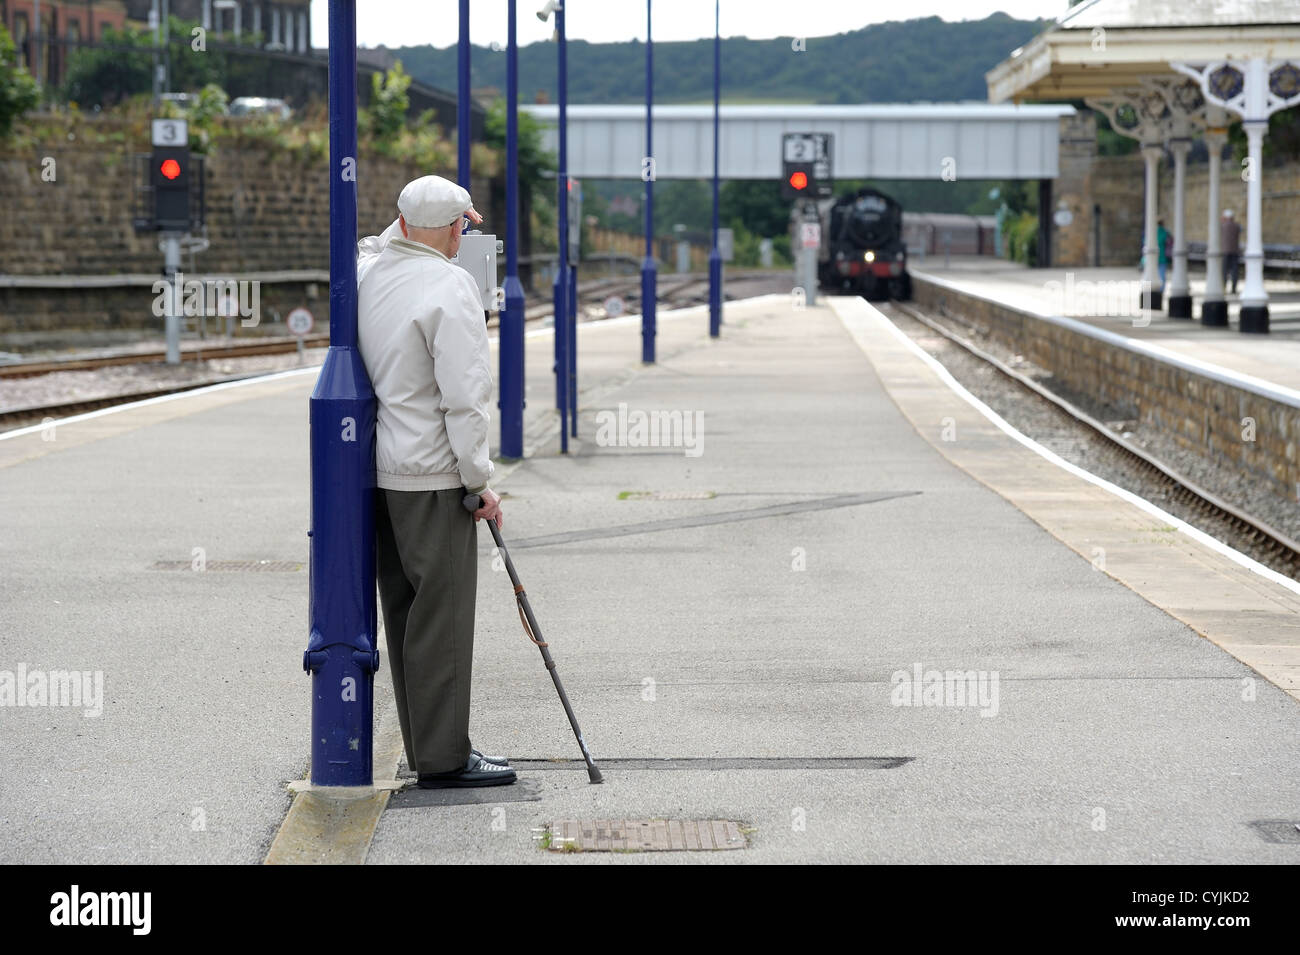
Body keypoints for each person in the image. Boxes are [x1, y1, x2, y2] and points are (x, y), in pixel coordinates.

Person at [356, 175, 516, 789]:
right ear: (455, 229)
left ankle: (429, 747)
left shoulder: (372, 274)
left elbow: (374, 243)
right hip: (434, 474)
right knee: (443, 620)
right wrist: (479, 482)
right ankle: (445, 759)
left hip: (382, 474)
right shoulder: (451, 286)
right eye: (463, 226)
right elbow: (465, 400)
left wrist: (406, 221)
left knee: (403, 613)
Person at [1220, 209, 1241, 294]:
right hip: (1235, 251)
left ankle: (1224, 286)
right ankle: (1233, 288)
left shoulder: (1223, 226)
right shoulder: (1236, 226)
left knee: (1224, 270)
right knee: (1234, 270)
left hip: (1225, 251)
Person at [1156, 218, 1170, 290]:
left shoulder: (1152, 232)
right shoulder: (1165, 232)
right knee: (1162, 275)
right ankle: (1161, 289)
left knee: (1149, 276)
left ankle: (1148, 296)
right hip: (1162, 257)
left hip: (1153, 257)